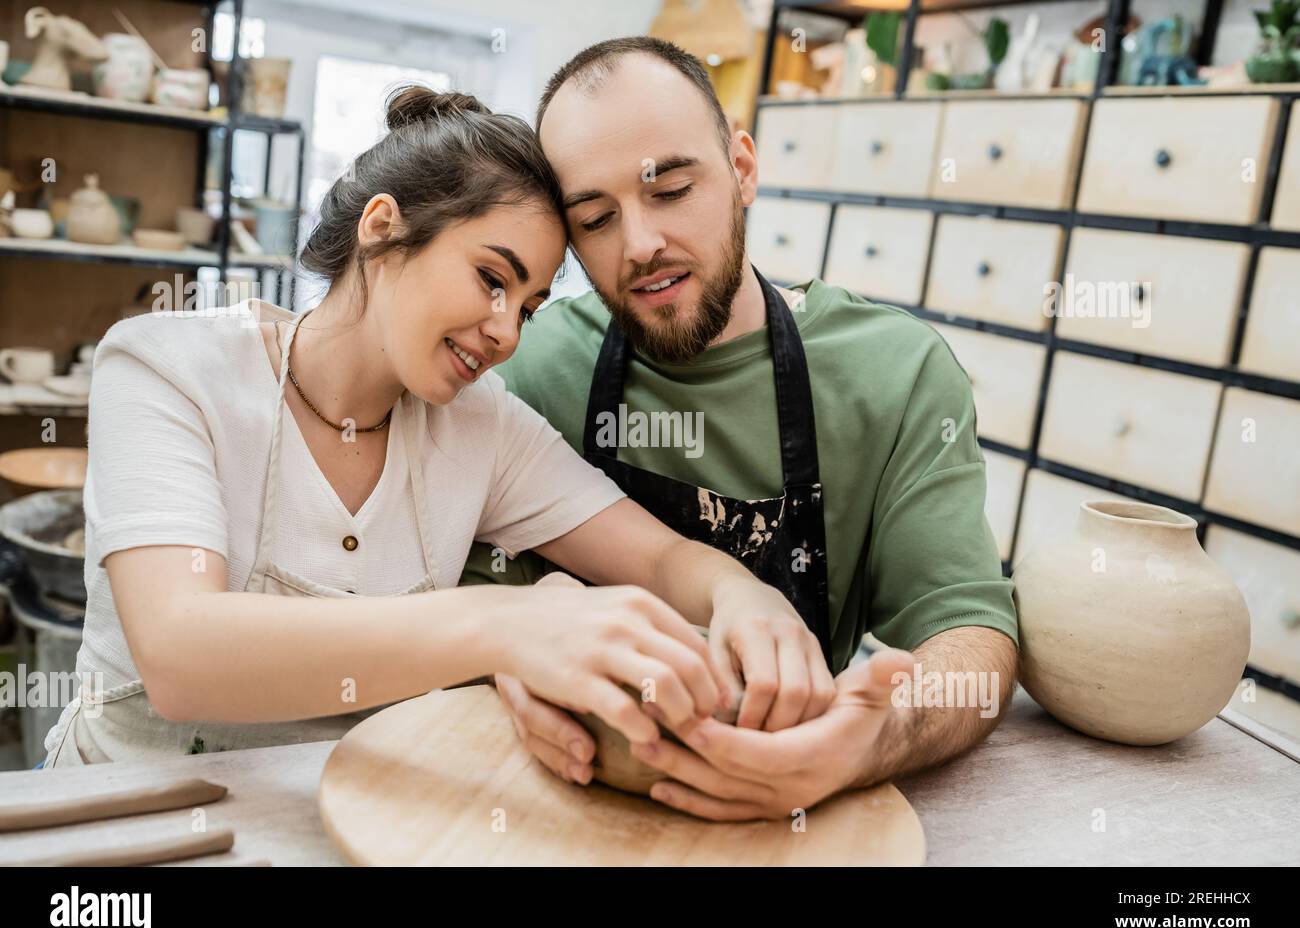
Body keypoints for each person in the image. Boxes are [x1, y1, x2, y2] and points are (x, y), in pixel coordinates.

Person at [43, 86, 831, 768]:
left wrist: (740, 596)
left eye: (527, 307)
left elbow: (658, 558)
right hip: (120, 817)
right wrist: (506, 624)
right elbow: (184, 657)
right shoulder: (166, 367)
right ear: (382, 228)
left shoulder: (479, 427)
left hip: (348, 817)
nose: (507, 334)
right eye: (492, 278)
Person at [460, 38, 1020, 821]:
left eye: (671, 189)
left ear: (743, 169)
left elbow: (972, 634)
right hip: (568, 807)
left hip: (787, 810)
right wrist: (507, 658)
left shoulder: (896, 374)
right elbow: (467, 600)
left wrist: (873, 742)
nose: (640, 245)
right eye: (594, 219)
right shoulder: (528, 369)